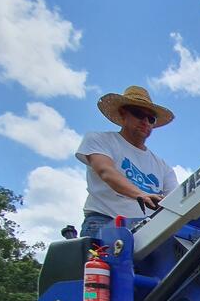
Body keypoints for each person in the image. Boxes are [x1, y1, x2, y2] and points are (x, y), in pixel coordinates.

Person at [75, 86, 178, 237]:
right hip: (104, 223)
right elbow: (106, 171)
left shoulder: (163, 166)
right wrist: (140, 194)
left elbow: (177, 198)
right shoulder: (100, 140)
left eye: (151, 119)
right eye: (138, 114)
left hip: (147, 232)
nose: (145, 122)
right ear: (123, 114)